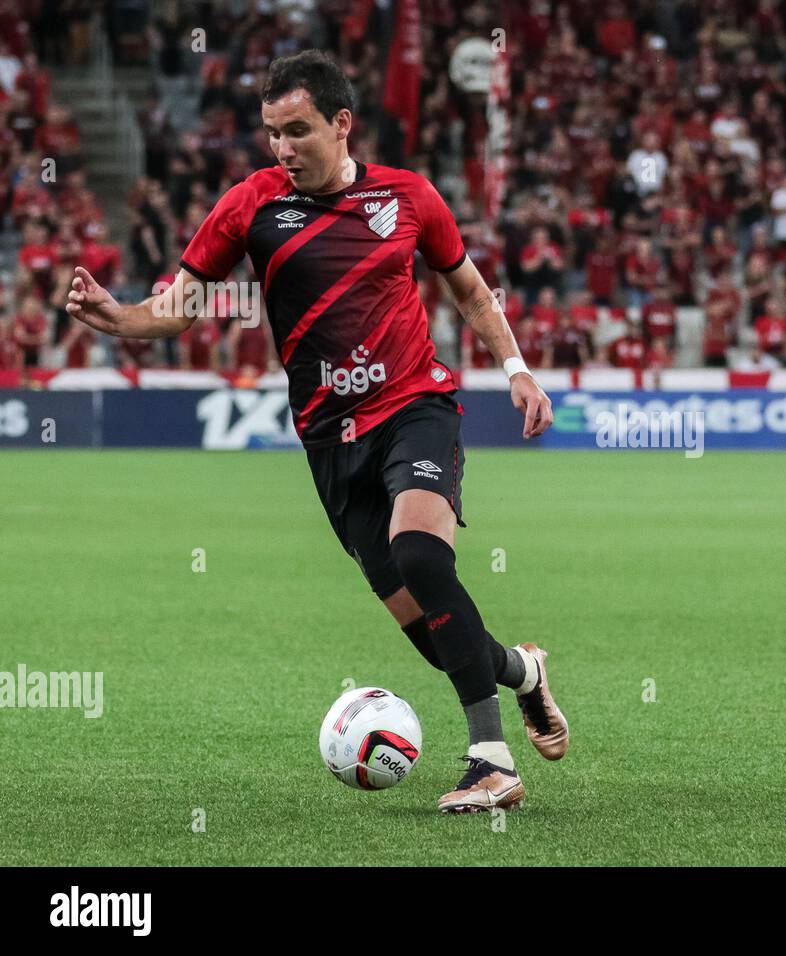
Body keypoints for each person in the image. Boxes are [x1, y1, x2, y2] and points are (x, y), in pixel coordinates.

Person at [65, 50, 568, 814]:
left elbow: (469, 291)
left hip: (414, 408)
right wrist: (118, 316)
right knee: (432, 631)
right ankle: (522, 672)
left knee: (422, 556)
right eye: (271, 133)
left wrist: (518, 370)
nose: (282, 148)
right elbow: (179, 306)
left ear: (341, 124)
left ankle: (490, 762)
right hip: (332, 445)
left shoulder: (410, 198)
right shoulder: (250, 206)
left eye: (297, 130)